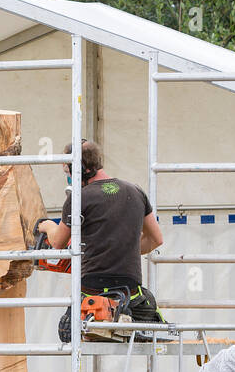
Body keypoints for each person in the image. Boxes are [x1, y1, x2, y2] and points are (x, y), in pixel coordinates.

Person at [37, 140, 166, 341]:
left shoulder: (79, 198)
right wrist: (125, 249)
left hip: (91, 292)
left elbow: (57, 243)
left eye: (69, 172)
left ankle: (96, 322)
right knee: (150, 313)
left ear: (80, 169)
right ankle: (130, 321)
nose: (69, 178)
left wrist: (46, 225)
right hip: (130, 293)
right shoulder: (136, 191)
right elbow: (156, 239)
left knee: (67, 333)